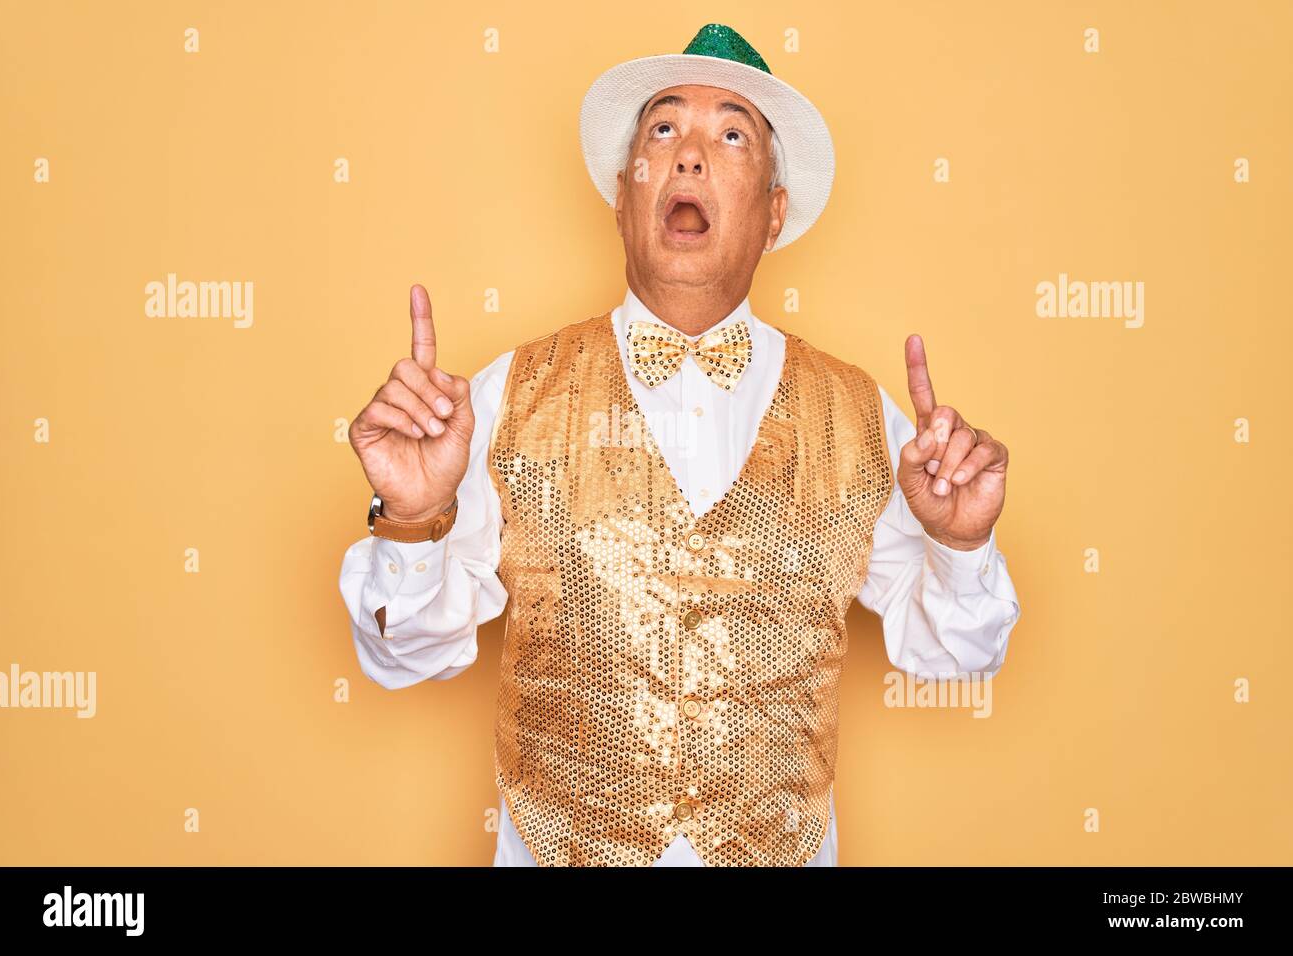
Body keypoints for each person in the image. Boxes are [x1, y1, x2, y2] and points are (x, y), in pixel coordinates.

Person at [338, 23, 1020, 866]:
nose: (690, 155)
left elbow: (957, 657)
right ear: (623, 194)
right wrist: (412, 518)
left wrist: (959, 544)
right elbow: (404, 659)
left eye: (732, 134)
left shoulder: (858, 413)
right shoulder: (506, 394)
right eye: (663, 129)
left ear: (774, 213)